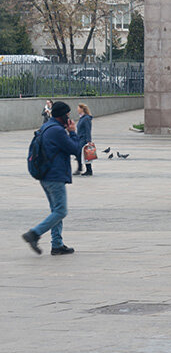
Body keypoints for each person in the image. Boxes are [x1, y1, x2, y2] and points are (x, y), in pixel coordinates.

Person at [22, 101, 82, 256]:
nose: (69, 117)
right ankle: (34, 234)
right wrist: (73, 132)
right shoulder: (57, 131)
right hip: (54, 176)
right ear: (62, 116)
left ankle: (57, 245)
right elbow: (75, 149)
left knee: (56, 210)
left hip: (46, 175)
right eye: (68, 115)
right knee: (61, 211)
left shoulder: (47, 127)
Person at [74, 103, 94, 176]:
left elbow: (88, 130)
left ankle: (88, 170)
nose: (77, 109)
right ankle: (83, 169)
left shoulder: (86, 118)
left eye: (78, 108)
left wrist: (88, 140)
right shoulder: (82, 118)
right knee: (82, 154)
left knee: (84, 154)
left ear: (82, 109)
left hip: (84, 139)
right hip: (80, 138)